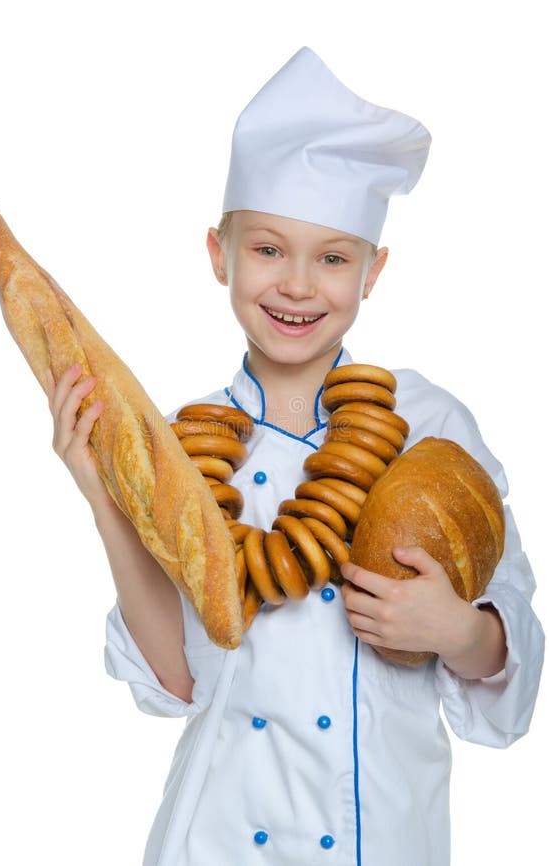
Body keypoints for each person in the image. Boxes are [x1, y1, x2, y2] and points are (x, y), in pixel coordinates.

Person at [46, 48, 544, 865]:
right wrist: (106, 498)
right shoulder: (178, 446)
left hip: (382, 839)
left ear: (373, 272)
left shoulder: (427, 428)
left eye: (334, 258)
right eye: (268, 250)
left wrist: (458, 629)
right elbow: (173, 682)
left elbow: (511, 668)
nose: (298, 286)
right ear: (220, 254)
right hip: (213, 841)